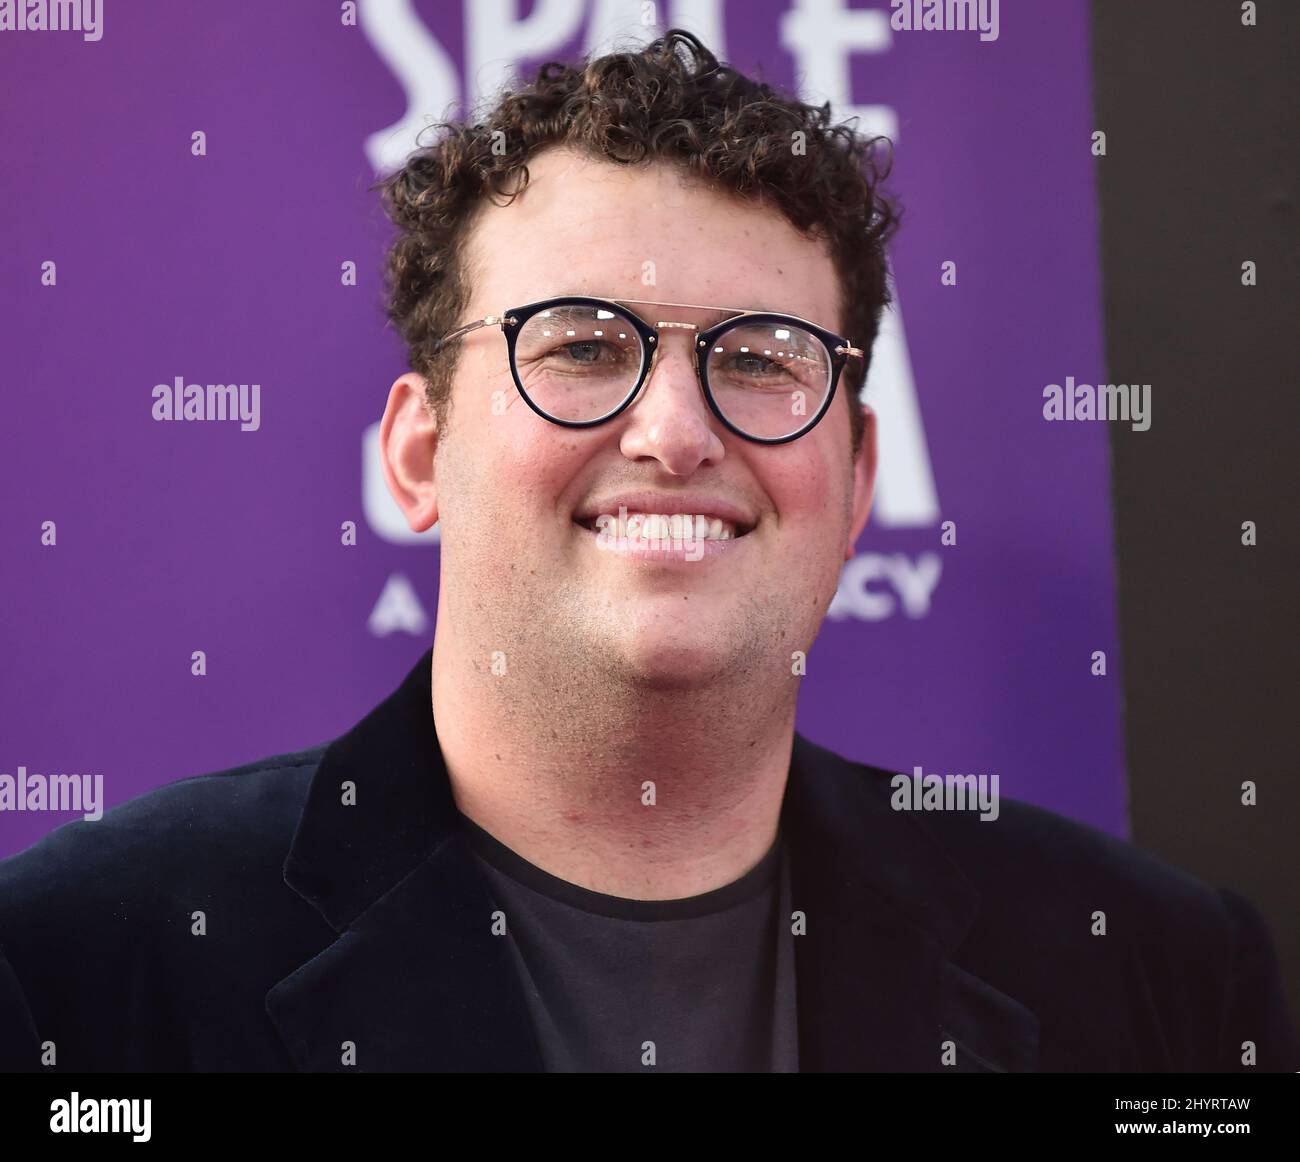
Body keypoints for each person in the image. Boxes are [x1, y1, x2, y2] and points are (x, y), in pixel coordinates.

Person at [0, 29, 1295, 1073]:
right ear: (414, 452)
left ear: (857, 483)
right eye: (580, 345)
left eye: (758, 359)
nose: (675, 433)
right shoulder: (75, 972)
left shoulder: (1153, 970)